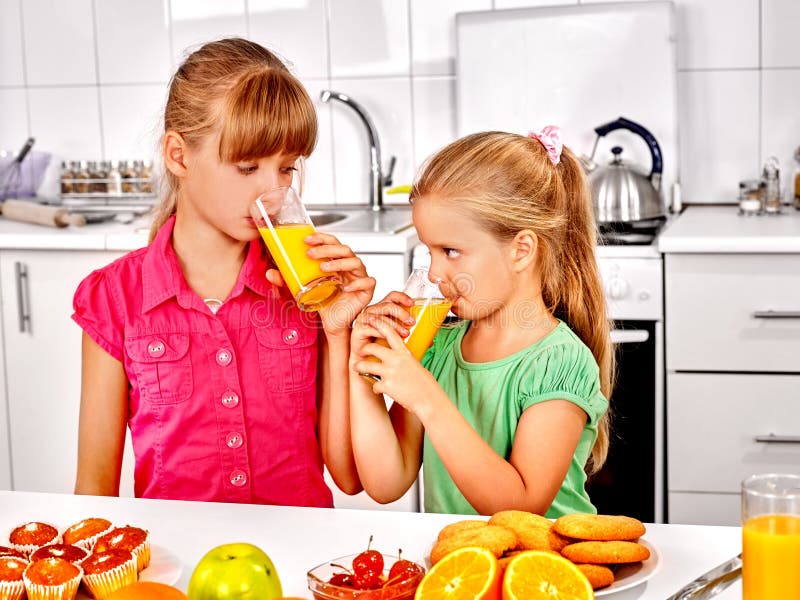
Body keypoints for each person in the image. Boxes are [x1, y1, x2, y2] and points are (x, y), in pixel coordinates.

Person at [72, 38, 373, 506]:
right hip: (176, 559)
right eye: (247, 166)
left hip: (297, 554)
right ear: (179, 155)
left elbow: (349, 478)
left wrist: (340, 334)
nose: (271, 190)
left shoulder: (308, 287)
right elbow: (93, 491)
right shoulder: (114, 298)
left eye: (287, 169)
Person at [349, 128, 613, 516]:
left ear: (521, 250)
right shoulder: (437, 349)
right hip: (466, 569)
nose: (435, 272)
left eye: (451, 251)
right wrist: (363, 371)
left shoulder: (559, 363)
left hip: (545, 568)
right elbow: (386, 483)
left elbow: (520, 507)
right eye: (429, 251)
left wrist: (426, 397)